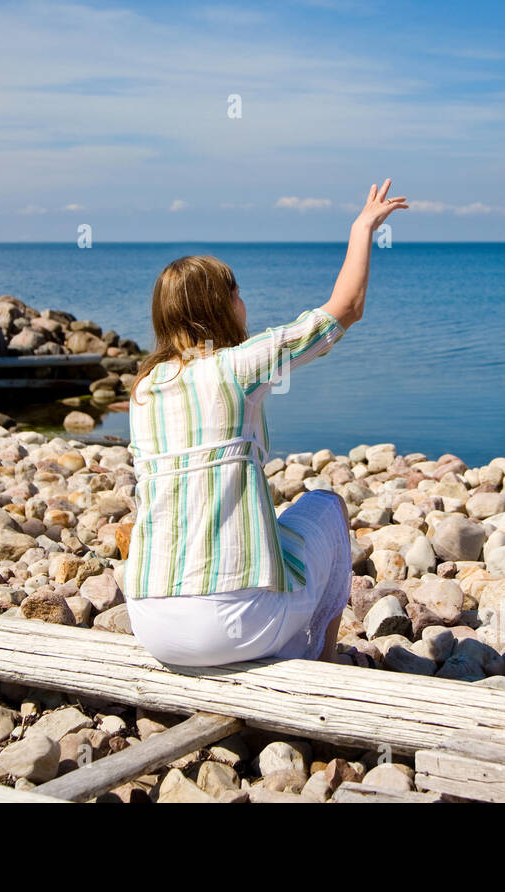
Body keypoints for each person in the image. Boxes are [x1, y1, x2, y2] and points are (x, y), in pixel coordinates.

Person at [122, 179, 408, 666]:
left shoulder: (143, 389)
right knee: (327, 507)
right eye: (238, 295)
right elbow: (344, 311)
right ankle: (323, 660)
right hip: (231, 623)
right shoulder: (237, 367)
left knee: (266, 531)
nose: (244, 306)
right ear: (223, 306)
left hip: (151, 623)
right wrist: (363, 229)